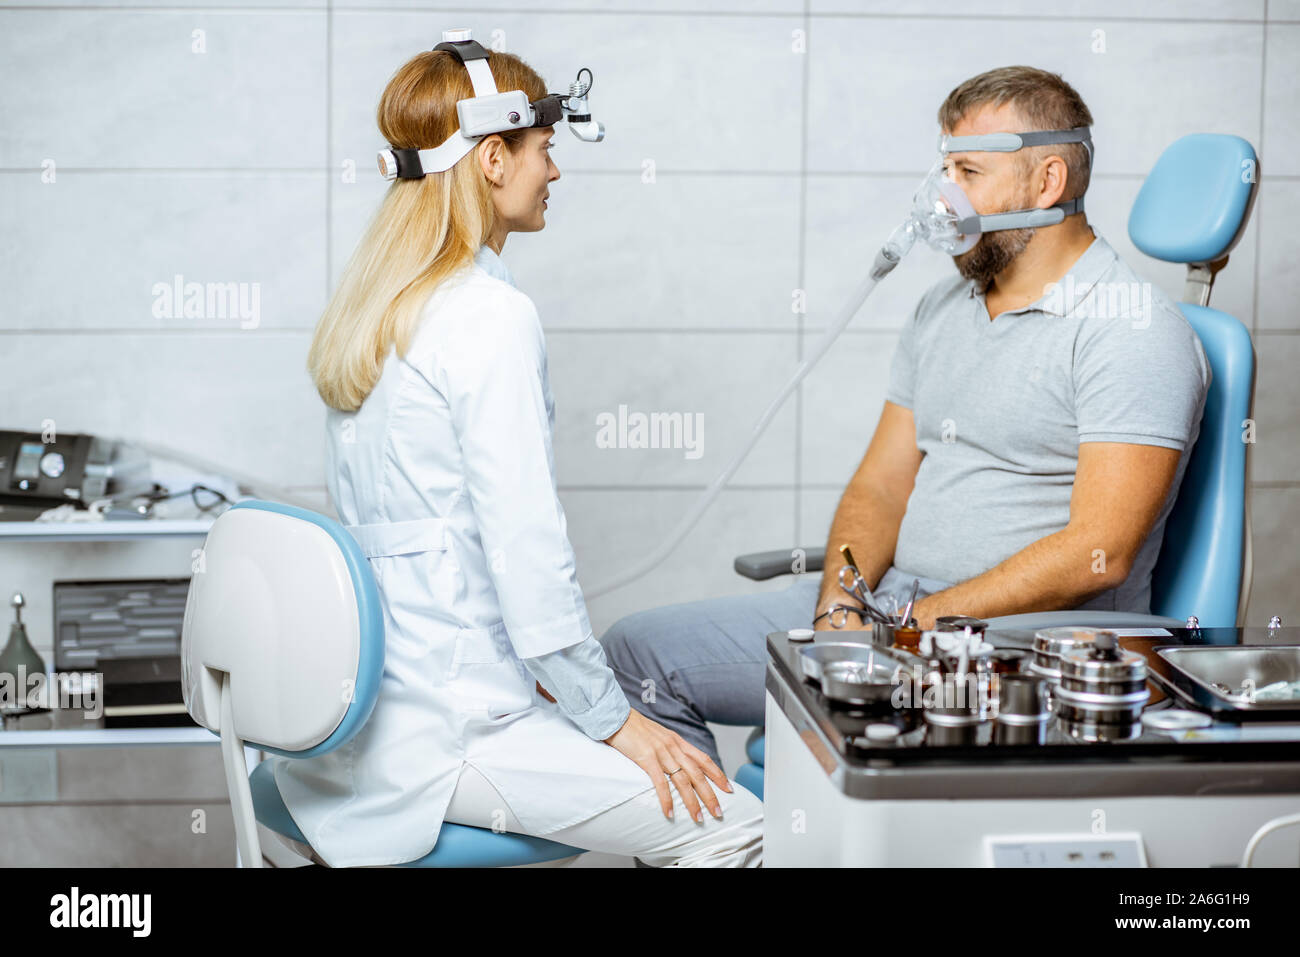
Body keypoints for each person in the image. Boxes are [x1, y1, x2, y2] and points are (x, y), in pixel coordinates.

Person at [601, 65, 1210, 769]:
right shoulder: (942, 311)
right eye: (944, 168)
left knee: (803, 748)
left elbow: (1099, 548)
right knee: (635, 653)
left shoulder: (1131, 331)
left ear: (1047, 183)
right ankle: (738, 845)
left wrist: (918, 625)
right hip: (891, 614)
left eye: (969, 171)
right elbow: (881, 487)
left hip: (1012, 648)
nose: (943, 196)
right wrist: (839, 607)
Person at [284, 41, 762, 867]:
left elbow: (436, 557)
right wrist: (616, 722)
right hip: (457, 730)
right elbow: (526, 559)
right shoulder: (485, 316)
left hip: (360, 729)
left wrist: (561, 693)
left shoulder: (378, 312)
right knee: (741, 822)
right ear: (494, 157)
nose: (556, 171)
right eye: (547, 149)